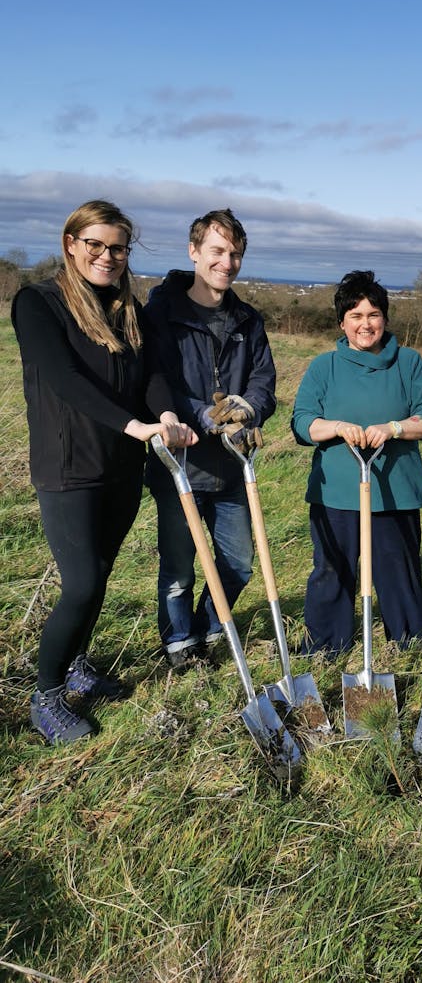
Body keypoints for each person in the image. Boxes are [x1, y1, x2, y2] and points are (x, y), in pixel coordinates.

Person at [11, 199, 197, 745]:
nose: (107, 256)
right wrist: (132, 424)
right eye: (95, 244)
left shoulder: (126, 309)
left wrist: (162, 412)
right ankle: (45, 698)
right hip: (70, 466)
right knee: (82, 581)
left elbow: (153, 373)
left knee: (100, 577)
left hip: (122, 466)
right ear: (71, 244)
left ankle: (77, 666)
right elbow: (65, 378)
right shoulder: (38, 303)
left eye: (117, 247)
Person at [144, 209, 276, 669]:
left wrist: (247, 408)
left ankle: (211, 624)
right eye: (218, 251)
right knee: (179, 568)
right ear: (194, 251)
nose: (228, 261)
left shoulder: (247, 319)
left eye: (235, 253)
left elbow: (263, 378)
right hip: (179, 463)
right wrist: (201, 413)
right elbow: (154, 379)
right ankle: (180, 640)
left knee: (239, 562)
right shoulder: (161, 313)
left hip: (232, 466)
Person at [291, 270, 422, 654]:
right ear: (342, 323)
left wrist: (392, 428)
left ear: (385, 319)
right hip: (337, 491)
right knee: (333, 569)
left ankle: (405, 644)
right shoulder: (325, 367)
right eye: (355, 316)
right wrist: (337, 426)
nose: (365, 323)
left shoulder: (409, 362)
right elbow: (303, 422)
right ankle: (326, 645)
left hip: (395, 492)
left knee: (398, 569)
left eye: (373, 314)